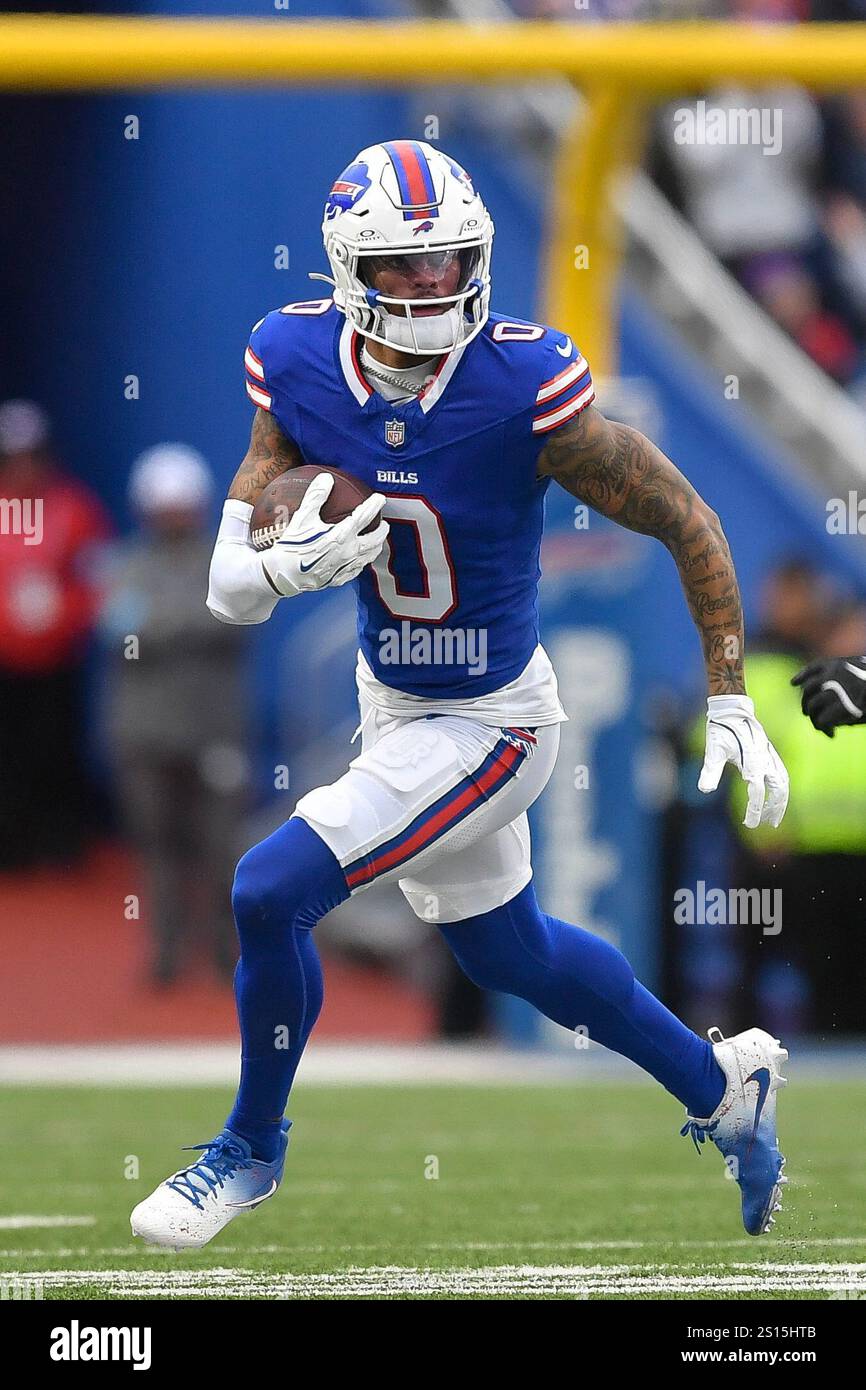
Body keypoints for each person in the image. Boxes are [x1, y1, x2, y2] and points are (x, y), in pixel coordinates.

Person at [131, 141, 790, 1251]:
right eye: (407, 266)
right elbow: (232, 589)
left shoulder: (520, 384)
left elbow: (686, 518)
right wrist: (281, 570)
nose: (436, 286)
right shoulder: (291, 362)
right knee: (509, 954)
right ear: (350, 268)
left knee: (266, 888)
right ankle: (723, 1090)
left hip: (491, 721)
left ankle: (248, 1148)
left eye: (452, 262)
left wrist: (728, 692)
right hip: (392, 704)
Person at [100, 444, 250, 984]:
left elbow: (238, 623)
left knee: (221, 847)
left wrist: (161, 623)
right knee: (157, 846)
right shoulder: (121, 563)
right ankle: (164, 952)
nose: (174, 515)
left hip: (215, 731)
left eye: (182, 504)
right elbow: (121, 635)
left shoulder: (227, 562)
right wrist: (194, 619)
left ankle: (222, 950)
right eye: (164, 505)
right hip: (143, 736)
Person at [0, 399, 109, 869]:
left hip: (58, 660)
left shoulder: (75, 507)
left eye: (32, 455)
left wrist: (62, 612)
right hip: (4, 661)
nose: (25, 466)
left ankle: (58, 842)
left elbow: (100, 583)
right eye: (14, 457)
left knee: (56, 750)